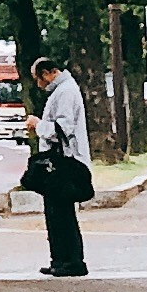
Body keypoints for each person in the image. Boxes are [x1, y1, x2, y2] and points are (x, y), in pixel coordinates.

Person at [29, 52, 92, 277]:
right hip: (62, 160)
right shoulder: (63, 90)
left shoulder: (65, 92)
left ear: (48, 73)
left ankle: (71, 261)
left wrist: (38, 125)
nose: (39, 85)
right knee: (56, 213)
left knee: (61, 213)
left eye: (39, 79)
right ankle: (61, 259)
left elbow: (62, 128)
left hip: (64, 161)